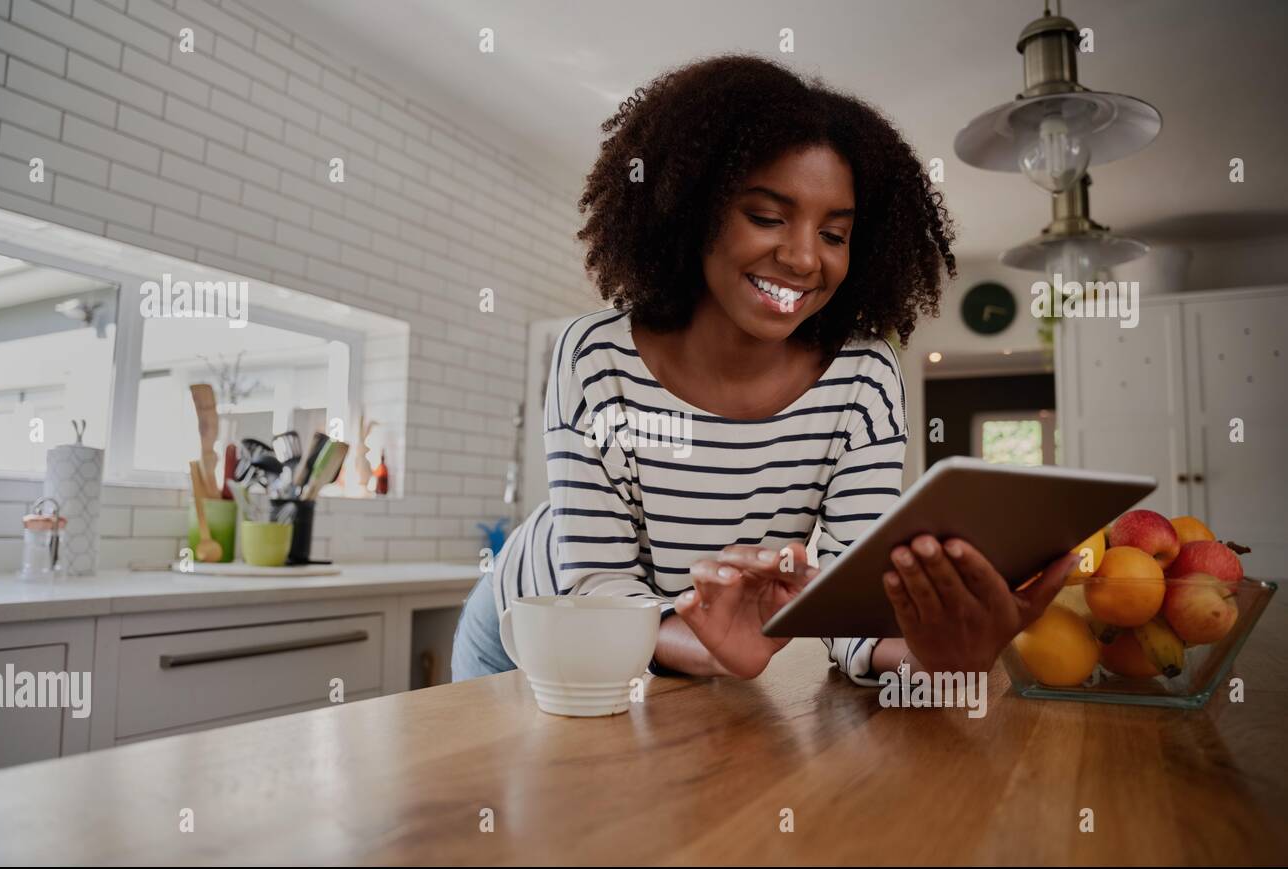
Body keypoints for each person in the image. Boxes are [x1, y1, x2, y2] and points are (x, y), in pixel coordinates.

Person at [451, 53, 1075, 684]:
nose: (805, 258)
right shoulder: (596, 357)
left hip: (677, 651)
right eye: (767, 217)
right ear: (694, 210)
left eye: (835, 234)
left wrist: (934, 659)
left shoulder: (862, 381)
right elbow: (597, 585)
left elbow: (850, 601)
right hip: (532, 623)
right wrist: (711, 650)